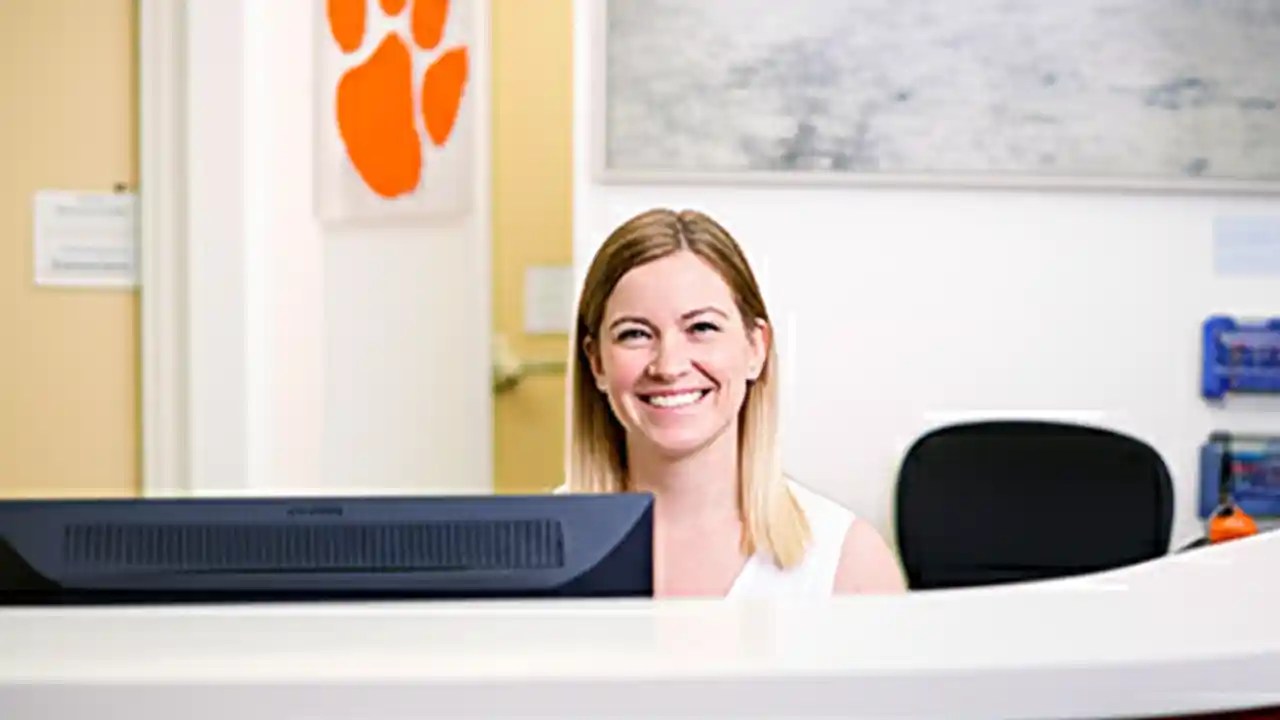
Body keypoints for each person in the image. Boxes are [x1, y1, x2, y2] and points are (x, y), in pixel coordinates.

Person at [560, 207, 907, 597]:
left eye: (702, 328)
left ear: (756, 347)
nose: (669, 366)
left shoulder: (848, 562)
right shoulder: (532, 554)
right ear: (596, 362)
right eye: (635, 334)